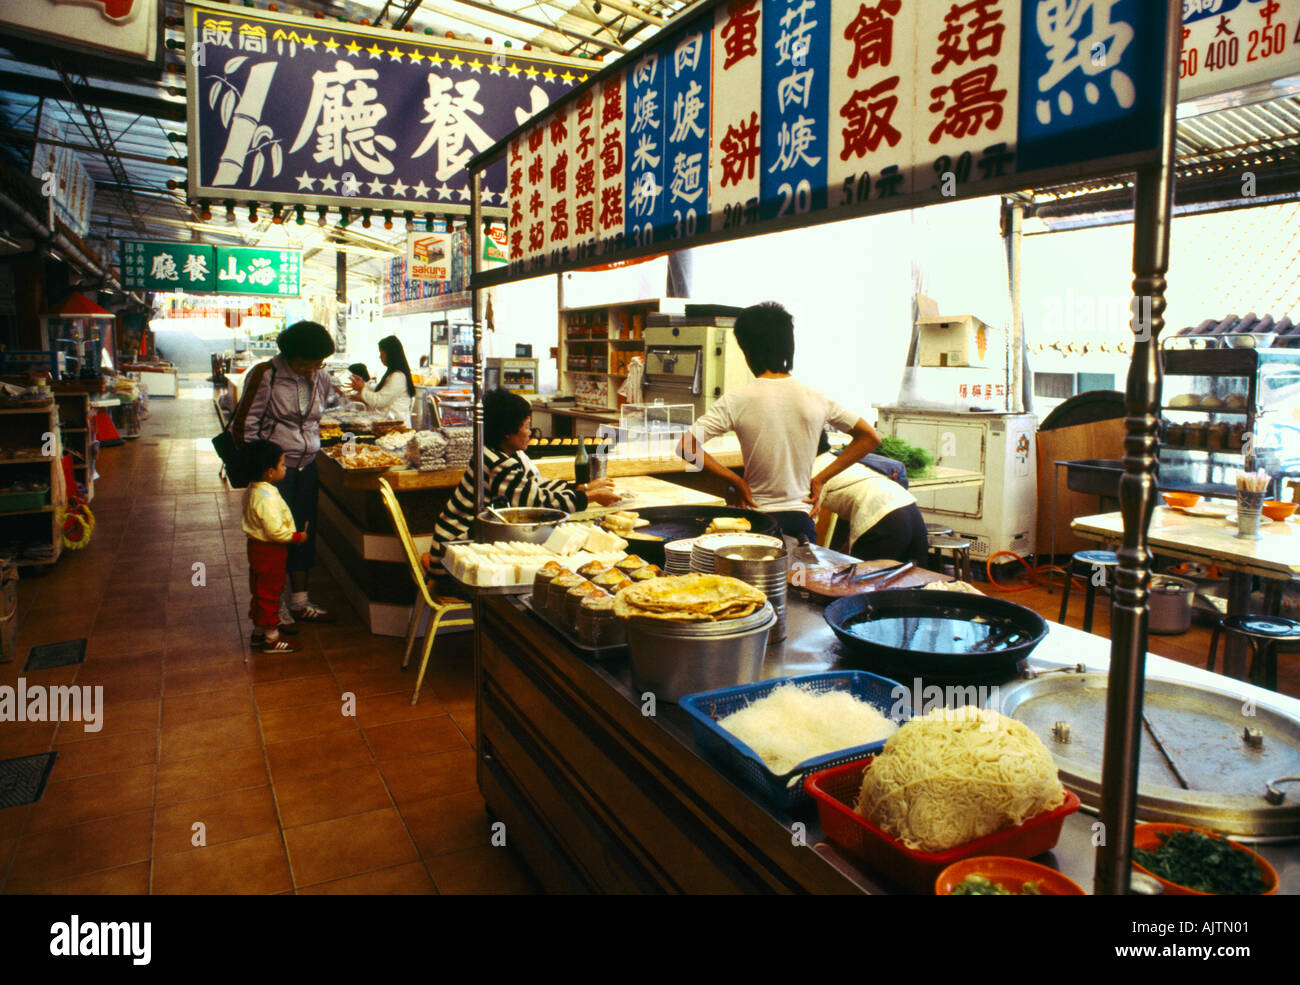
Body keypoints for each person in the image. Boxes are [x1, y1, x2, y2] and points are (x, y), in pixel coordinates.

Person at [678, 301, 882, 542]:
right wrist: (820, 479)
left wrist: (735, 480)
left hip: (757, 521)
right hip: (802, 522)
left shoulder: (736, 400)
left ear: (746, 350)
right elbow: (870, 438)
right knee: (798, 578)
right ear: (789, 347)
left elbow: (686, 448)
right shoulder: (816, 396)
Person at [238, 320, 339, 624]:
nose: (311, 369)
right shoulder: (265, 374)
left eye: (318, 363)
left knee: (302, 531)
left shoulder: (319, 375)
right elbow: (246, 425)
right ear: (288, 356)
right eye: (304, 363)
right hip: (274, 473)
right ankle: (272, 605)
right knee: (271, 538)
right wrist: (263, 470)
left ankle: (299, 600)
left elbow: (328, 409)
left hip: (306, 466)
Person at [433, 387, 621, 546]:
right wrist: (590, 497)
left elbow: (535, 487)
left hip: (457, 539)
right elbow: (540, 505)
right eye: (526, 426)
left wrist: (584, 487)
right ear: (507, 432)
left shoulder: (497, 453)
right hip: (456, 545)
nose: (530, 433)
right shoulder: (500, 464)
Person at [812, 431, 930, 567]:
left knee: (867, 584)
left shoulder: (812, 470)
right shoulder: (837, 459)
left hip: (884, 521)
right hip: (911, 510)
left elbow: (806, 523)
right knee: (914, 582)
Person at [241, 440, 308, 653]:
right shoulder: (265, 497)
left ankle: (259, 632)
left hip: (257, 549)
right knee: (271, 592)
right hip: (269, 551)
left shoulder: (254, 489)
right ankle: (272, 638)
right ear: (270, 472)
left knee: (260, 590)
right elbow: (274, 530)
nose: (285, 468)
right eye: (282, 465)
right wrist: (297, 536)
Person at [347, 335, 413, 425]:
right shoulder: (393, 374)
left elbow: (380, 400)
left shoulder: (398, 376)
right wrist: (364, 385)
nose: (380, 357)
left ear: (390, 354)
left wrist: (362, 389)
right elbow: (380, 390)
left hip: (398, 425)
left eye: (381, 354)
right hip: (391, 423)